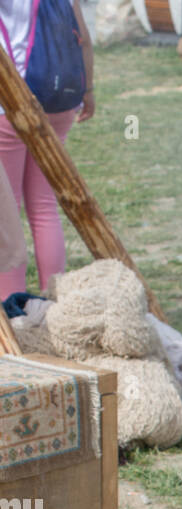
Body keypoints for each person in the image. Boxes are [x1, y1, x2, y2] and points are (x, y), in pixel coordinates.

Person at [0, 0, 93, 298]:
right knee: (44, 207)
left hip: (10, 104)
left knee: (7, 211)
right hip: (59, 100)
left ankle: (11, 306)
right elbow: (83, 38)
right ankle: (55, 299)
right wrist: (88, 90)